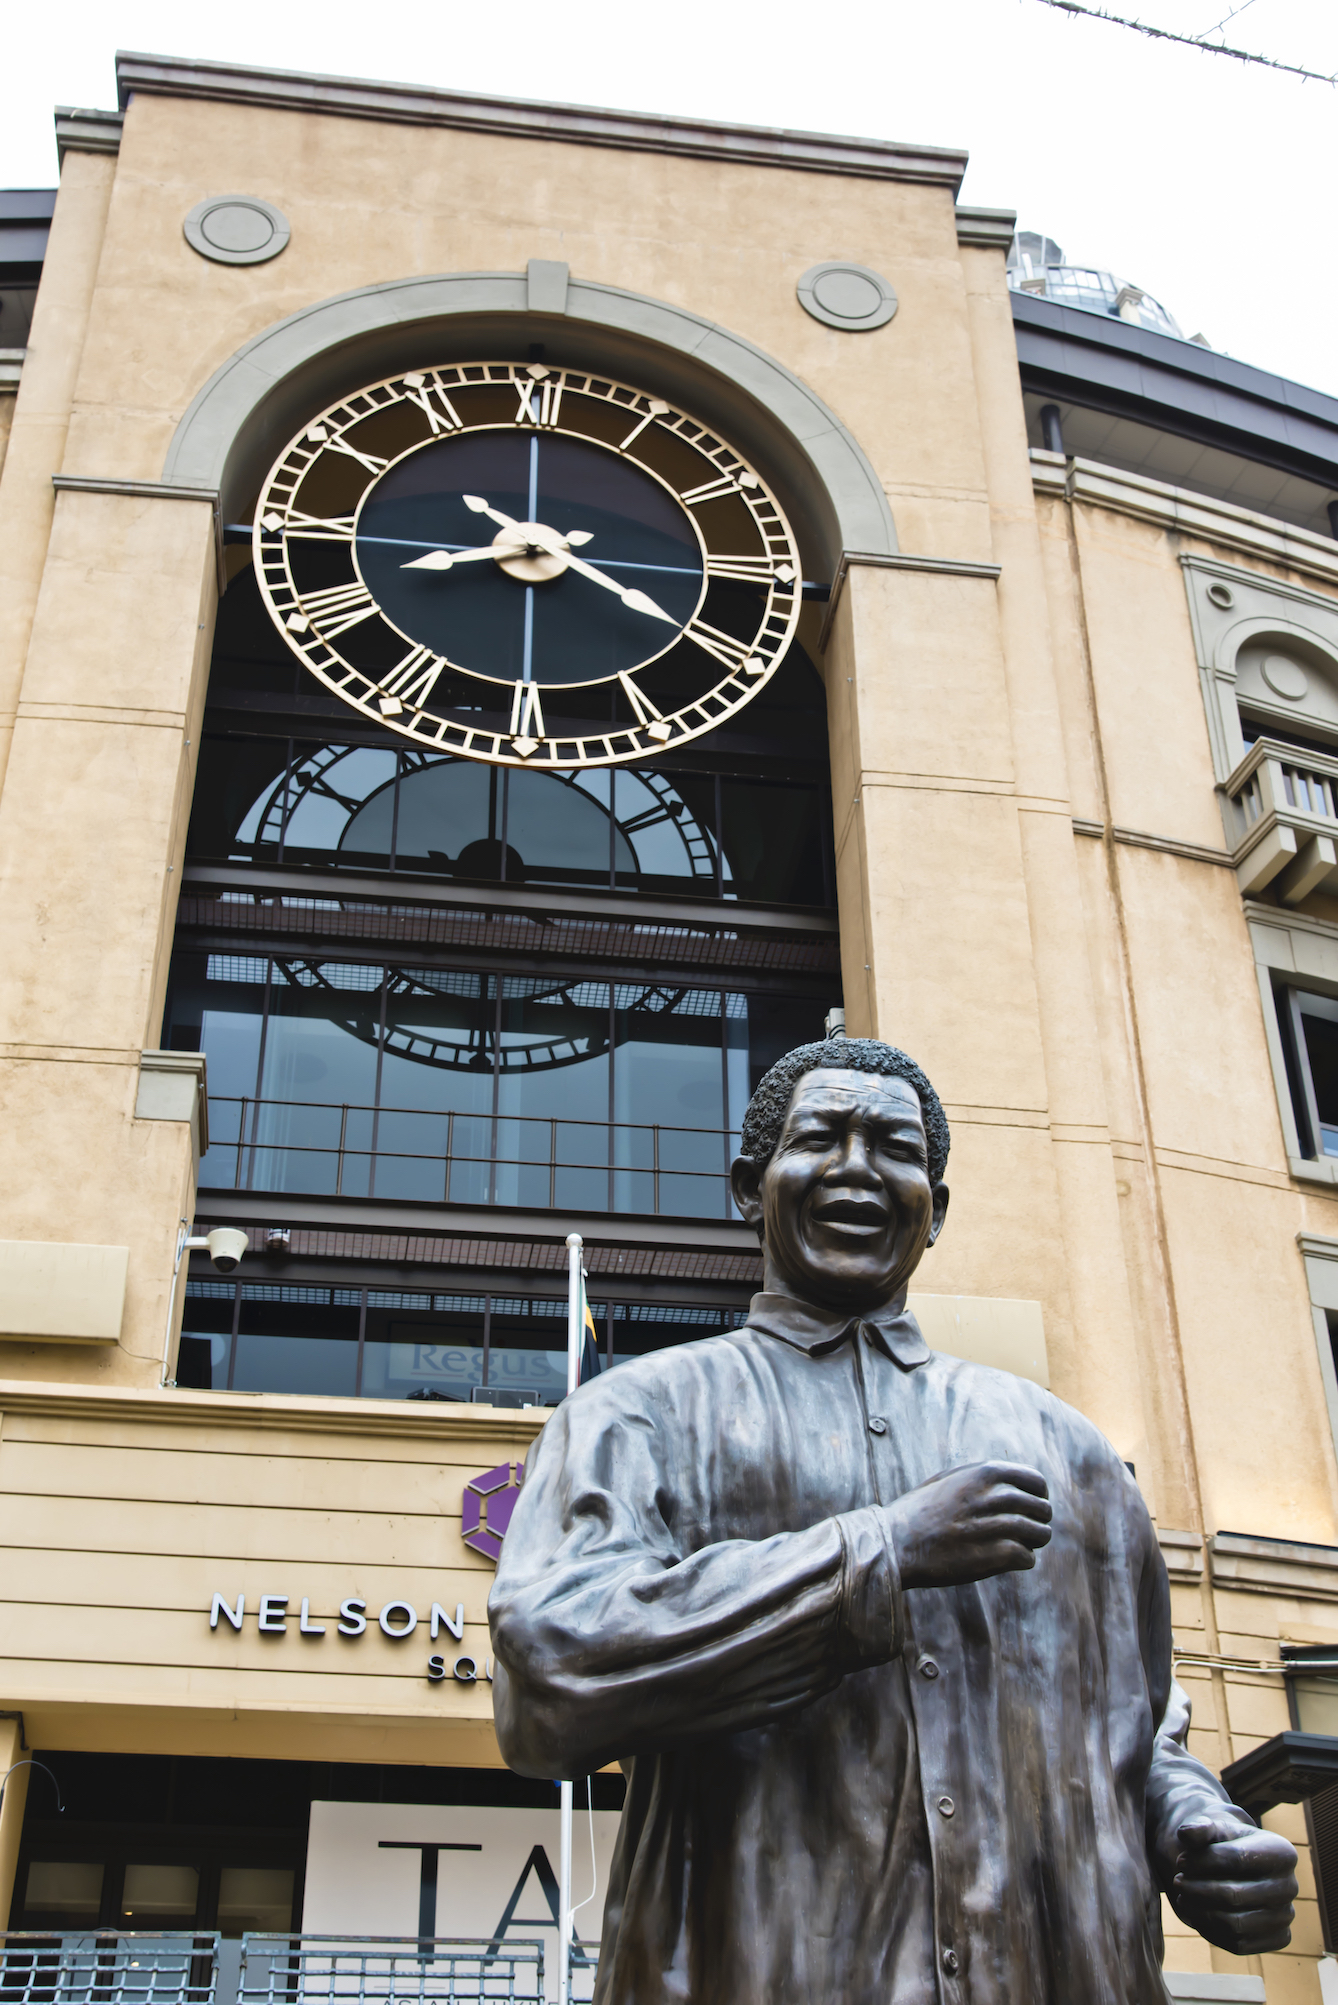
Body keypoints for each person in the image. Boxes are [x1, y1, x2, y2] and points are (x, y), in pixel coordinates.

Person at [489, 1038, 1297, 2004]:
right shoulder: (639, 1416)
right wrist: (877, 1552)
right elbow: (547, 1675)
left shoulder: (1070, 1452)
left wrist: (1194, 1826)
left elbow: (1139, 1728)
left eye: (895, 1147)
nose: (857, 1167)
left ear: (937, 1207)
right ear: (752, 1187)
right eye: (821, 1137)